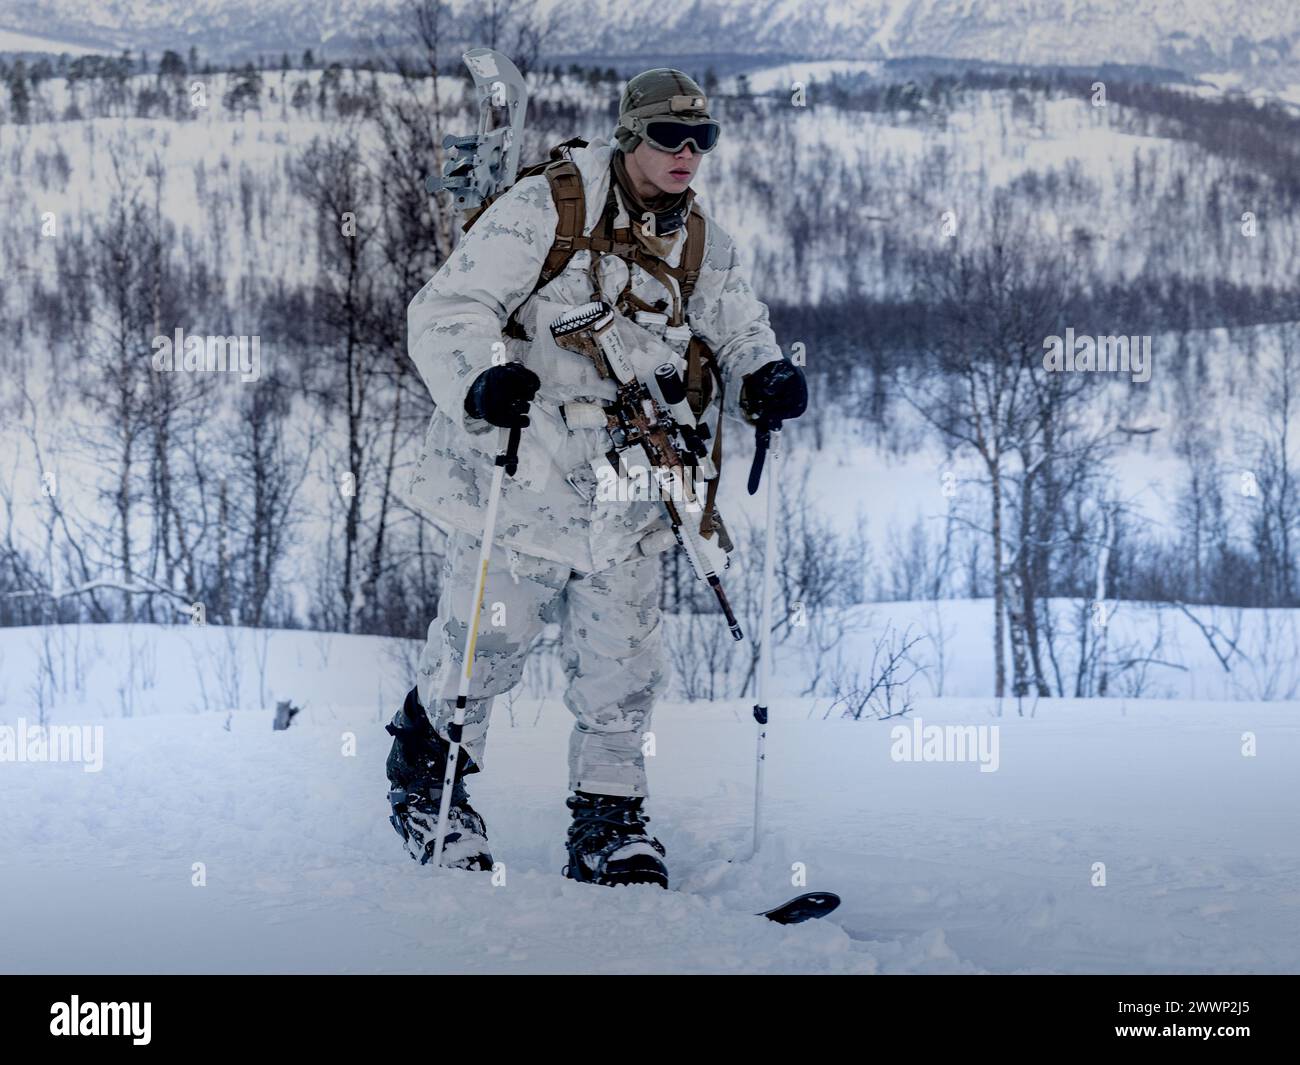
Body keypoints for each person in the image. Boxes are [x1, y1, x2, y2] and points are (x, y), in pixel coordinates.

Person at [386, 68, 808, 888]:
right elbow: (447, 307)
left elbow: (735, 320)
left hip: (630, 488)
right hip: (525, 472)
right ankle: (430, 788)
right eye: (668, 137)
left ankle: (610, 820)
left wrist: (764, 373)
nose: (687, 154)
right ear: (629, 138)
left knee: (623, 665)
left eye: (702, 140)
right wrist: (480, 379)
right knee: (485, 646)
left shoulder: (698, 242)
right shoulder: (549, 206)